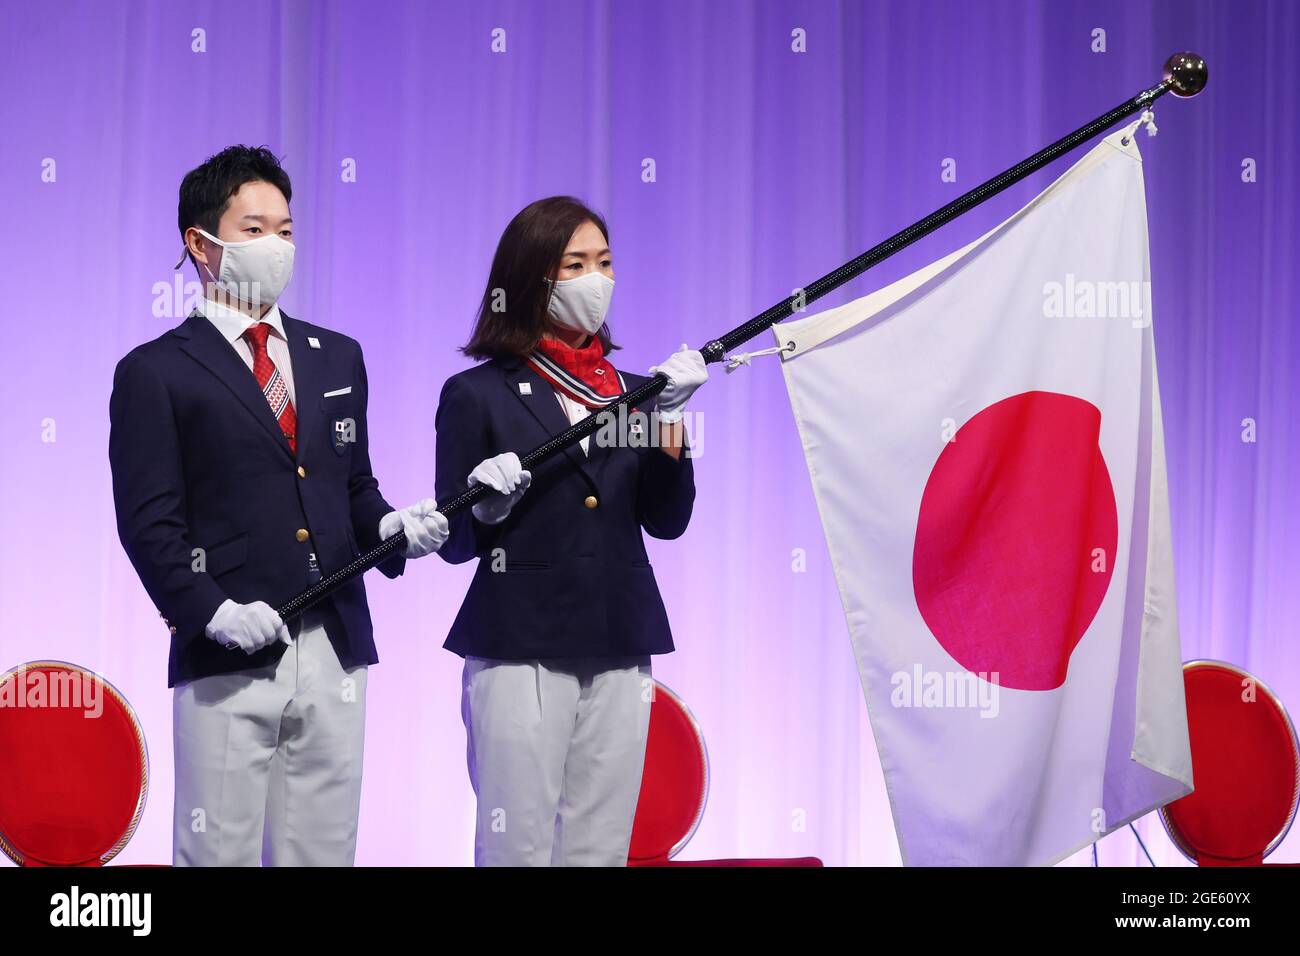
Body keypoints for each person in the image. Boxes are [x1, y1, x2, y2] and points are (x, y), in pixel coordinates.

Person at [108, 145, 448, 866]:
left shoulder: (338, 355)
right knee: (217, 853)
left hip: (336, 645)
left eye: (286, 230)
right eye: (255, 229)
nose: (277, 247)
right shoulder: (155, 372)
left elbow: (351, 484)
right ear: (201, 246)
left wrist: (389, 526)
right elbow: (148, 522)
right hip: (230, 649)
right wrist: (212, 610)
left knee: (324, 853)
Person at [434, 196, 707, 866]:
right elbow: (454, 540)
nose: (596, 279)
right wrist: (484, 508)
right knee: (516, 844)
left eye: (605, 262)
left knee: (599, 846)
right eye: (575, 264)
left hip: (619, 636)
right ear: (531, 280)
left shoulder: (637, 392)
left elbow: (666, 522)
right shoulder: (478, 394)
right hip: (518, 642)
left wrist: (672, 425)